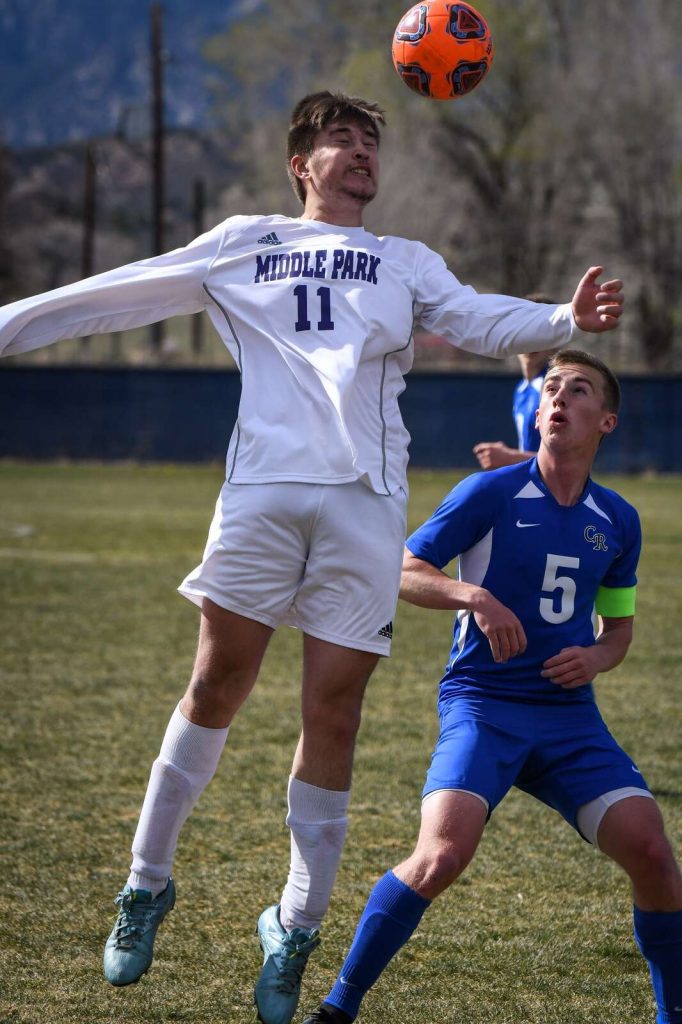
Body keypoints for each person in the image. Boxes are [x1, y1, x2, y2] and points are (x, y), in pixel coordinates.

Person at [0, 93, 625, 1024]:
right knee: (216, 685)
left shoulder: (404, 262)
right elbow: (115, 291)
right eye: (344, 139)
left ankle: (294, 924)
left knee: (332, 714)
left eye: (372, 141)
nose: (363, 154)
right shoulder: (241, 240)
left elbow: (479, 319)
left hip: (365, 509)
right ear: (304, 163)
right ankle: (146, 883)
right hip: (259, 494)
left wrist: (554, 315)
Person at [301, 348, 682, 1024]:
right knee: (442, 854)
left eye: (579, 390)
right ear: (539, 413)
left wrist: (595, 660)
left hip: (569, 719)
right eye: (552, 388)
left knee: (654, 854)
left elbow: (617, 631)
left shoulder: (618, 521)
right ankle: (337, 1008)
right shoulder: (489, 494)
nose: (558, 397)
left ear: (607, 421)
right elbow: (405, 569)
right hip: (484, 705)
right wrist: (472, 594)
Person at [473, 294, 555, 470]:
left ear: (557, 339)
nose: (531, 341)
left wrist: (510, 458)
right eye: (524, 331)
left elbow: (567, 461)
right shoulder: (523, 388)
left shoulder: (554, 389)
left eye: (540, 332)